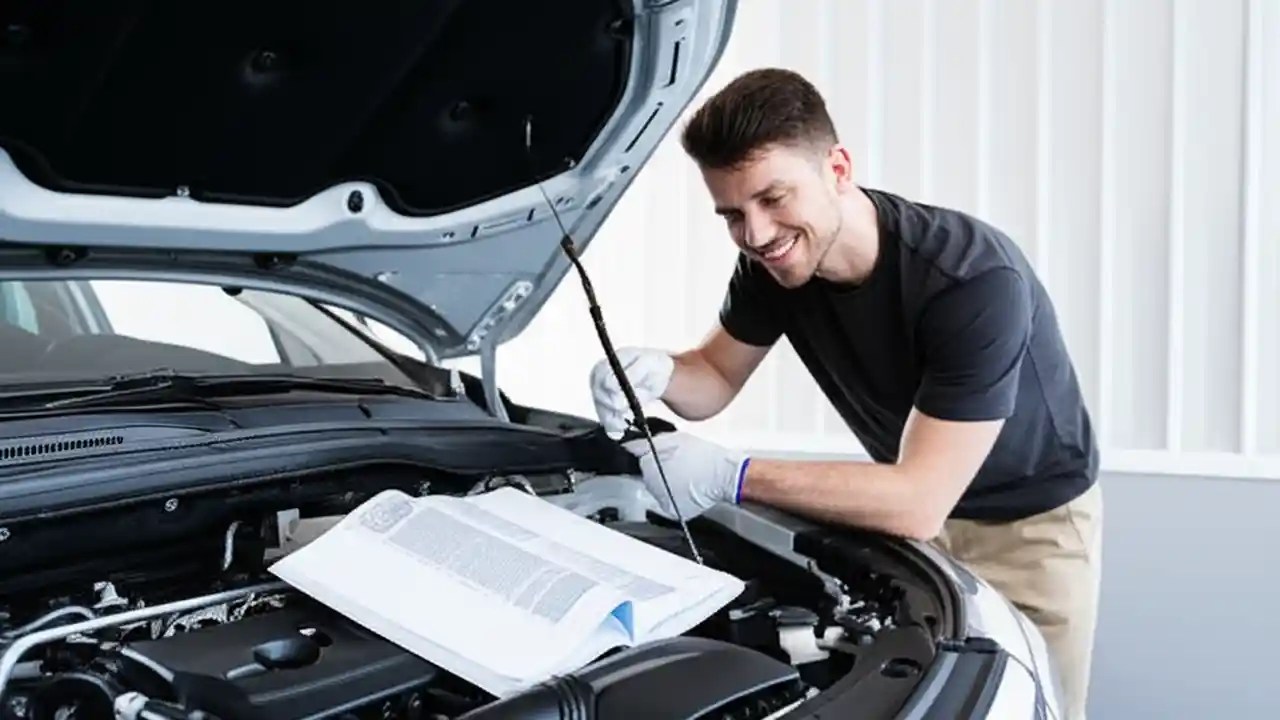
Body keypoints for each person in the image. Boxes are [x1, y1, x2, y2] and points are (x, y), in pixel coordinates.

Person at [588, 68, 1102, 720]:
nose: (756, 234)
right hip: (919, 531)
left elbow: (917, 499)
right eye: (732, 215)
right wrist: (656, 372)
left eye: (774, 198)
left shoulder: (970, 281)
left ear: (837, 167)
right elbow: (713, 378)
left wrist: (731, 475)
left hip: (1029, 532)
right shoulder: (771, 266)